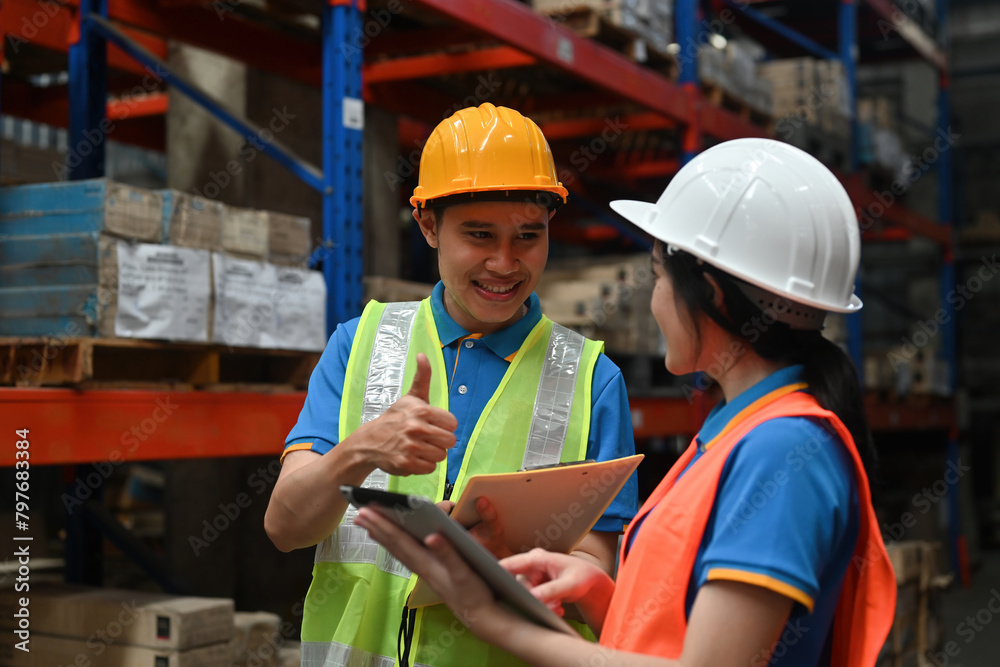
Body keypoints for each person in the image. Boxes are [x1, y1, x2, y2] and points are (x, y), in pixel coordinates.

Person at [355, 138, 898, 666]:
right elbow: (690, 638)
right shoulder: (741, 431)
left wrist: (487, 616)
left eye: (658, 277)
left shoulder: (782, 451)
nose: (655, 300)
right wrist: (597, 594)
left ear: (707, 293)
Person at [264, 102, 638, 667]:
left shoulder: (592, 378)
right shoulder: (359, 344)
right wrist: (361, 449)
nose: (505, 263)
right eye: (480, 235)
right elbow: (284, 527)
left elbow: (593, 574)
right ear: (429, 225)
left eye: (528, 237)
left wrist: (501, 556)